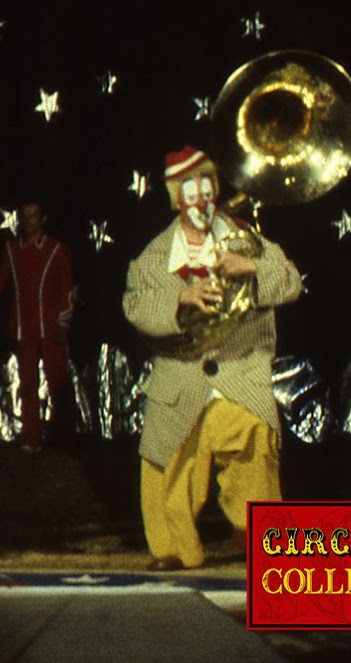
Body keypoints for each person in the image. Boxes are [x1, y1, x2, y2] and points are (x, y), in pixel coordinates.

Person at [123, 146, 302, 571]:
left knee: (256, 442)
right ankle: (173, 549)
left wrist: (252, 269)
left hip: (239, 376)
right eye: (190, 191)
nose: (201, 200)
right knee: (166, 459)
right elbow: (135, 305)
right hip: (181, 381)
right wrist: (180, 296)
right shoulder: (154, 257)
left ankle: (262, 541)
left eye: (208, 189)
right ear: (176, 198)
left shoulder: (247, 240)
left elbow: (291, 282)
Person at [0, 200, 76, 452]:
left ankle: (63, 436)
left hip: (51, 327)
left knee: (58, 383)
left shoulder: (57, 249)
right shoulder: (12, 249)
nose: (29, 222)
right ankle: (31, 438)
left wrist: (63, 324)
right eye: (25, 217)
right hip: (23, 328)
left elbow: (66, 289)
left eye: (34, 216)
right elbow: (0, 282)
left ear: (43, 218)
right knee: (27, 385)